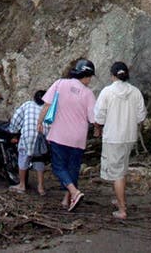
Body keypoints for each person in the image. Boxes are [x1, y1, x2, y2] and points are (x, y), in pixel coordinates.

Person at [41, 58, 97, 212]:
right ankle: (67, 200)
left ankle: (74, 192)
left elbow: (47, 104)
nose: (89, 80)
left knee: (59, 167)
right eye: (90, 77)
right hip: (78, 138)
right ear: (86, 75)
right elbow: (93, 119)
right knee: (73, 168)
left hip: (59, 134)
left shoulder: (60, 84)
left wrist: (39, 123)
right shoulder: (88, 94)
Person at [93, 61, 147, 220]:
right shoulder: (135, 92)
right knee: (122, 169)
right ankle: (119, 199)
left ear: (112, 75)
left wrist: (98, 127)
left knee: (117, 173)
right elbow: (141, 116)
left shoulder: (107, 92)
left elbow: (99, 116)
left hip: (113, 137)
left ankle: (122, 209)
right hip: (129, 136)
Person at [7, 90, 48, 195]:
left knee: (23, 159)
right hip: (41, 136)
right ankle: (41, 187)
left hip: (28, 136)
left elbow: (16, 118)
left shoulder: (28, 104)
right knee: (39, 160)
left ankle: (22, 185)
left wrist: (13, 131)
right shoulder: (48, 107)